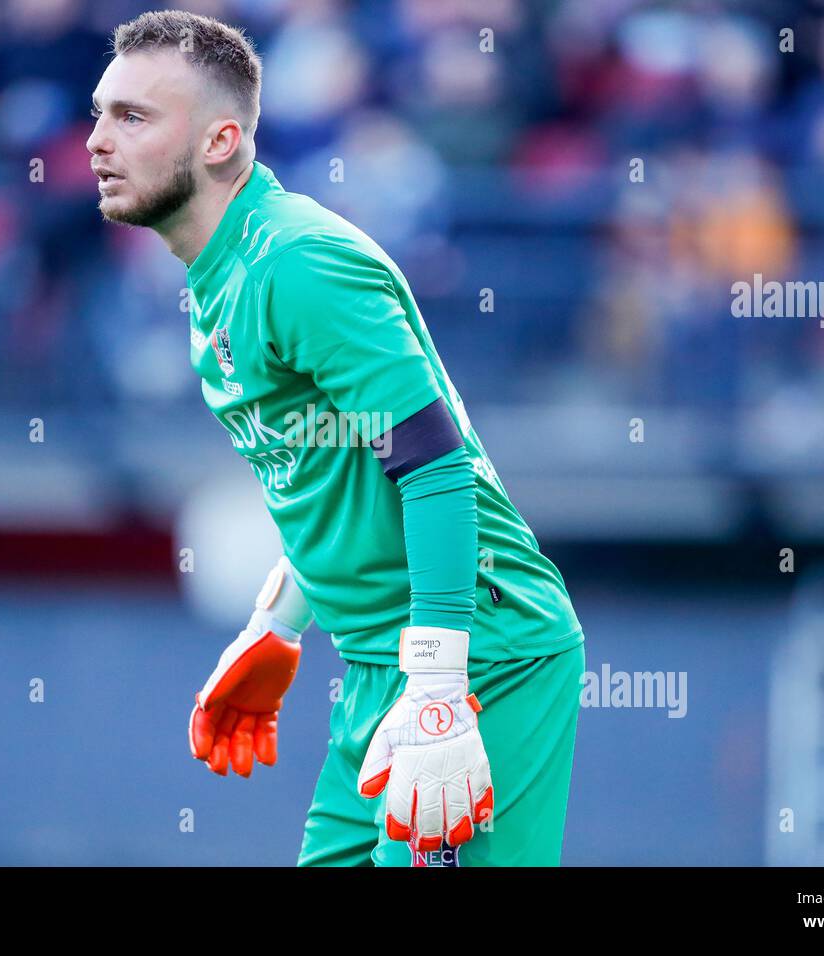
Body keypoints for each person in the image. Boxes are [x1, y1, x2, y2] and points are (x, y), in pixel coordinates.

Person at [87, 10, 584, 867]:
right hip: (378, 671)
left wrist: (436, 688)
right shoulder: (218, 283)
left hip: (478, 659)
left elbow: (435, 467)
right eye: (100, 112)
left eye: (132, 117)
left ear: (221, 140)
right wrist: (277, 622)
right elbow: (335, 473)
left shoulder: (298, 262)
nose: (96, 140)